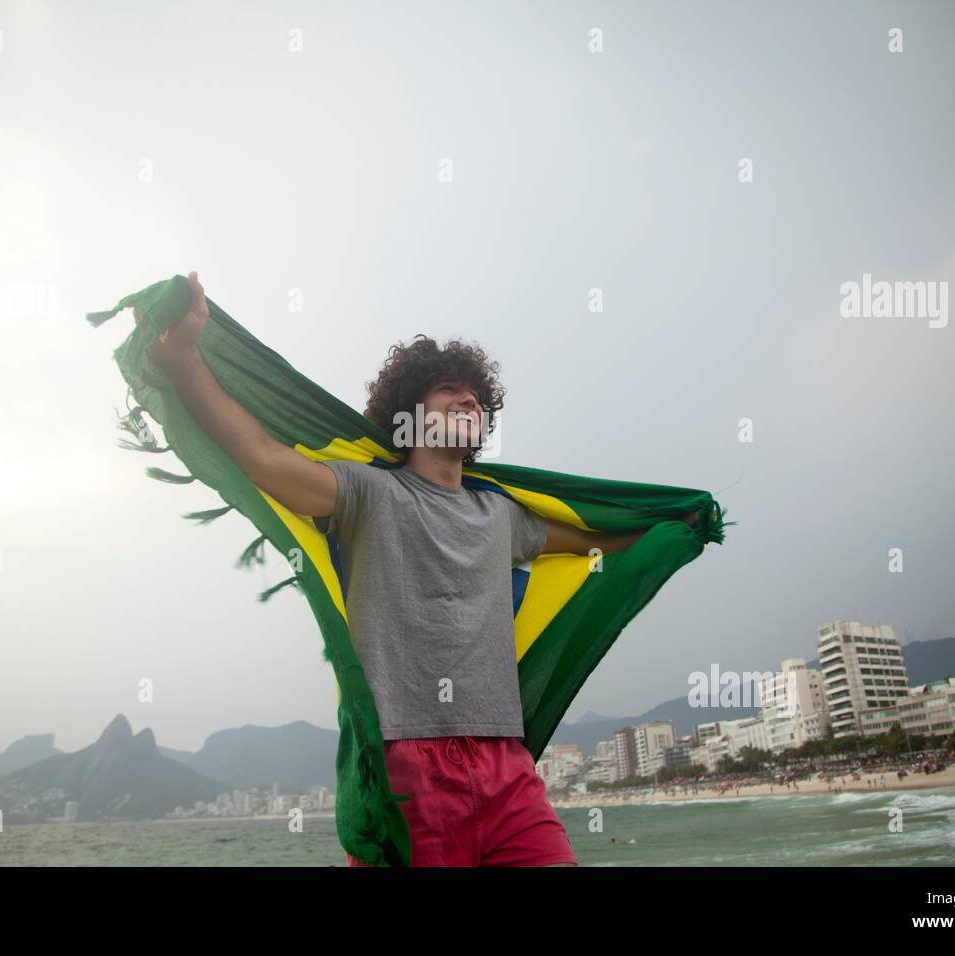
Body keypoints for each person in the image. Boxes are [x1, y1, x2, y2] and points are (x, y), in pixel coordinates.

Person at [139, 272, 697, 867]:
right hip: (408, 773)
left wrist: (676, 529)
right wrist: (184, 358)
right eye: (450, 390)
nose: (470, 401)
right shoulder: (369, 494)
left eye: (477, 398)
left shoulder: (504, 515)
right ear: (410, 413)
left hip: (508, 771)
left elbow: (597, 542)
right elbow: (262, 457)